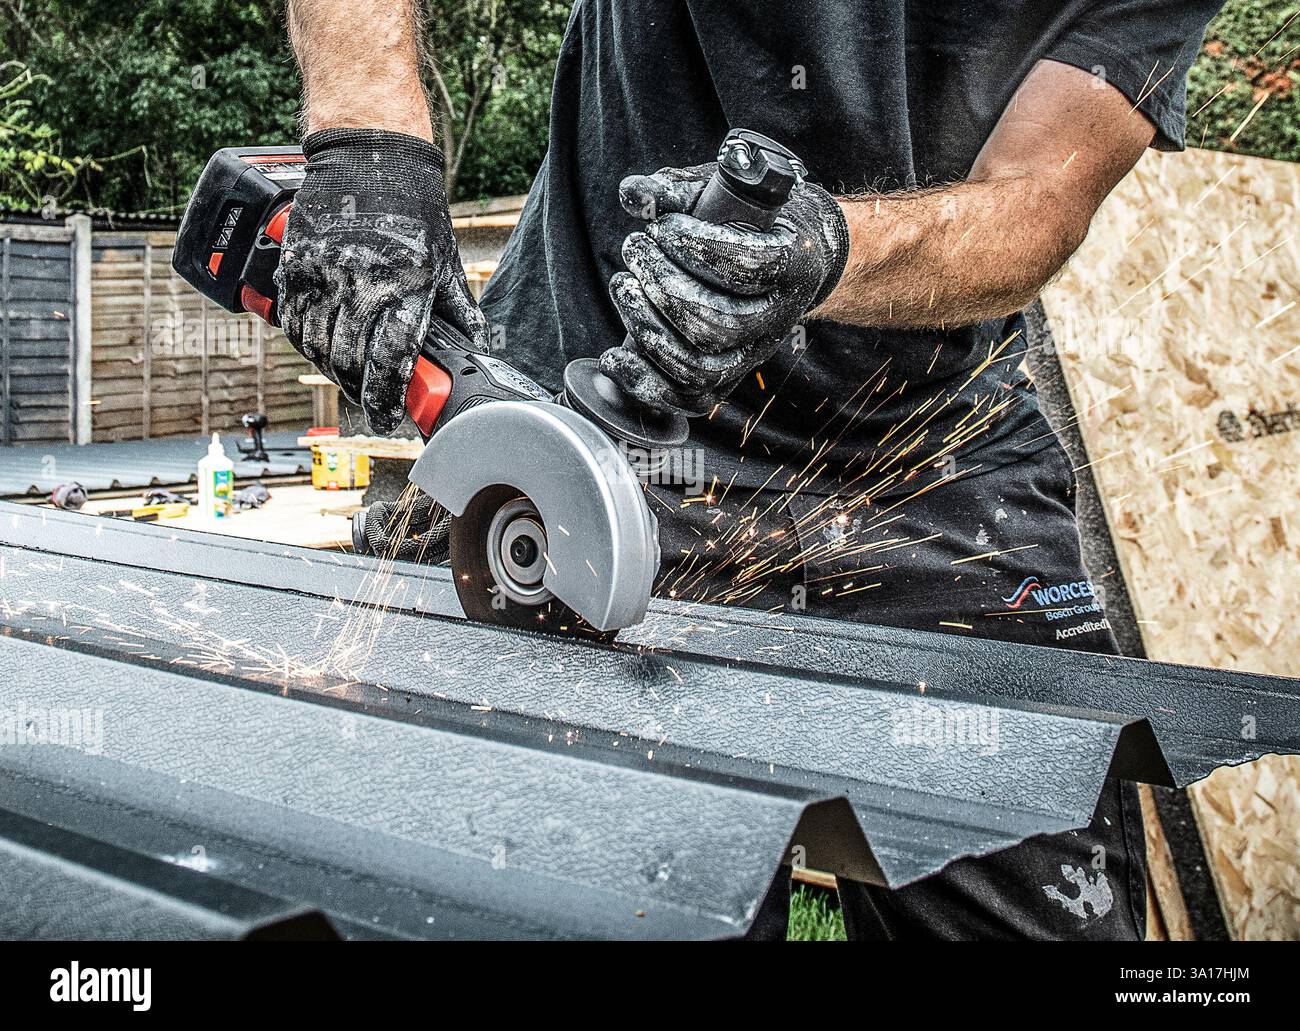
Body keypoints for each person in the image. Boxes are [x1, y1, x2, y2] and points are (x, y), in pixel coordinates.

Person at [277, 0, 1224, 939]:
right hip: (581, 419)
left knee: (1049, 891)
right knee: (511, 885)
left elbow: (1041, 195)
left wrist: (828, 252)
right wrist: (369, 145)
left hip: (929, 463)